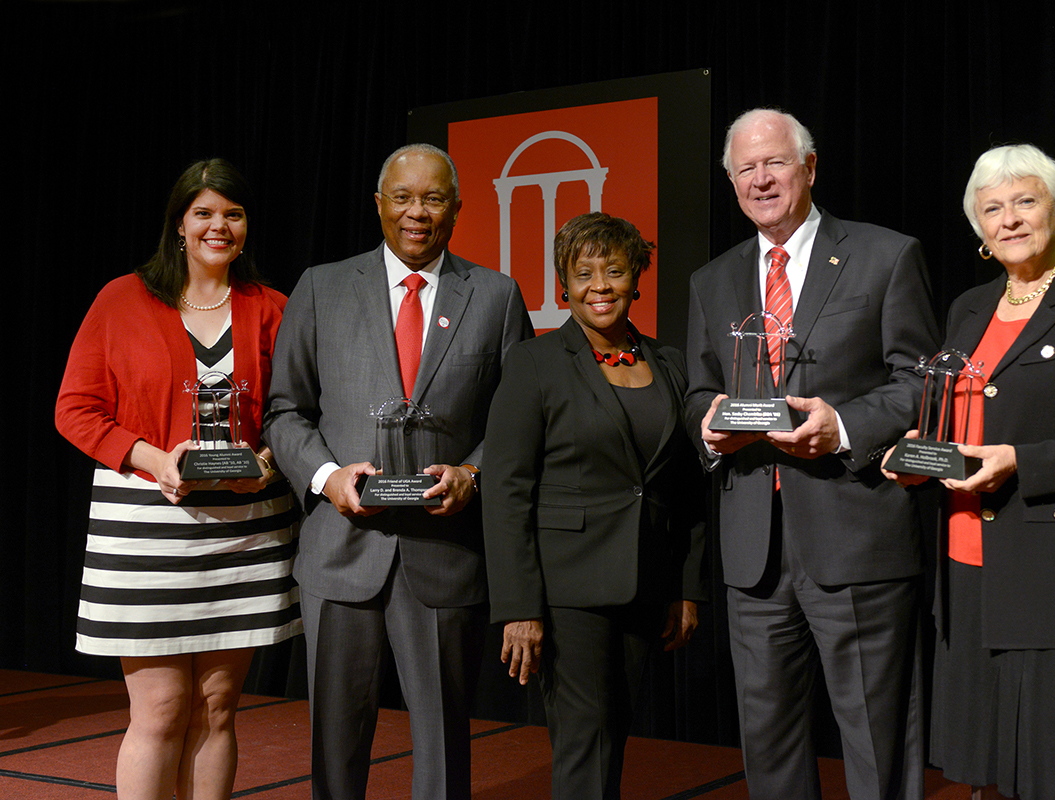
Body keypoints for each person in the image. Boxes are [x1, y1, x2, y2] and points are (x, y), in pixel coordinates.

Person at [882, 144, 1055, 800]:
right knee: (985, 772)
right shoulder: (967, 311)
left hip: (1053, 573)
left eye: (1024, 202)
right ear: (979, 230)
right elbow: (954, 422)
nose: (1008, 219)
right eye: (992, 208)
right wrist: (918, 456)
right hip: (966, 569)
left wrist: (1021, 463)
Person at [263, 143, 533, 800]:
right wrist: (328, 477)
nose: (418, 213)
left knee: (443, 745)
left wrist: (474, 472)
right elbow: (284, 411)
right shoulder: (321, 287)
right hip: (340, 553)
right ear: (379, 204)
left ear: (458, 209)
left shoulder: (496, 296)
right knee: (336, 742)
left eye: (434, 198)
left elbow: (520, 422)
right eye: (404, 197)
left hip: (445, 558)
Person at [685, 108, 939, 800]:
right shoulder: (712, 282)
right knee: (768, 745)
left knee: (876, 739)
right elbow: (698, 389)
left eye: (775, 163)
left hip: (855, 532)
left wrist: (845, 426)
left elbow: (920, 379)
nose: (760, 179)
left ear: (810, 167)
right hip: (754, 551)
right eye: (746, 168)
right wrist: (707, 425)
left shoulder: (885, 255)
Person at [55, 159, 301, 800]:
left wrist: (270, 461)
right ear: (180, 222)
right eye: (205, 213)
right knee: (160, 710)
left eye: (234, 213)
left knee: (219, 707)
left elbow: (294, 412)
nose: (219, 226)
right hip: (145, 528)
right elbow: (75, 410)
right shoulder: (122, 298)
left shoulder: (273, 307)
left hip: (247, 529)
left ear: (247, 226)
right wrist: (152, 458)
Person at [483, 212, 706, 800]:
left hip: (645, 583)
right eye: (583, 274)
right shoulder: (534, 363)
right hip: (565, 591)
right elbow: (505, 491)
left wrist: (687, 587)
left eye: (613, 270)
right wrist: (518, 607)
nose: (599, 285)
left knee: (616, 733)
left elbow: (687, 485)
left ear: (637, 279)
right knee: (585, 739)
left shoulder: (671, 365)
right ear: (564, 285)